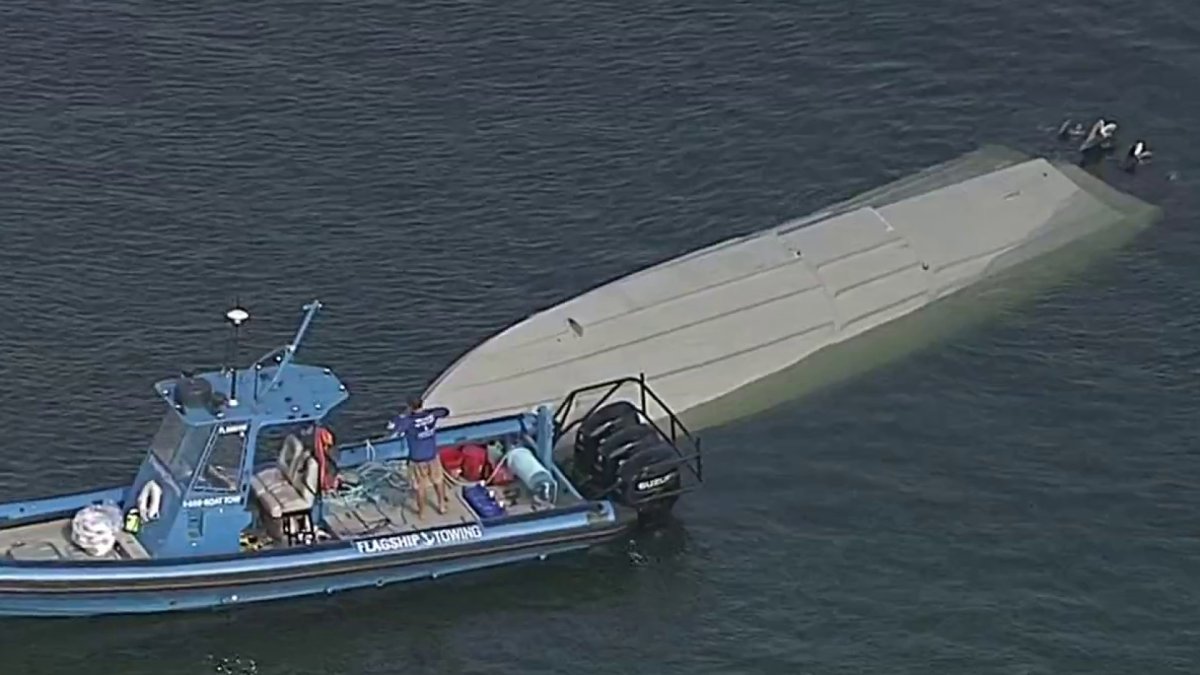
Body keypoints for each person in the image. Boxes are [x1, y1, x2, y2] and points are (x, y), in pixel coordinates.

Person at [388, 396, 450, 518]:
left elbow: (391, 427)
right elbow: (445, 411)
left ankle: (422, 512)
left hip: (417, 459)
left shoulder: (408, 421)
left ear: (409, 406)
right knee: (438, 480)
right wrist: (427, 413)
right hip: (432, 456)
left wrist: (403, 415)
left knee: (420, 487)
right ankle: (442, 505)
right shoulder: (431, 415)